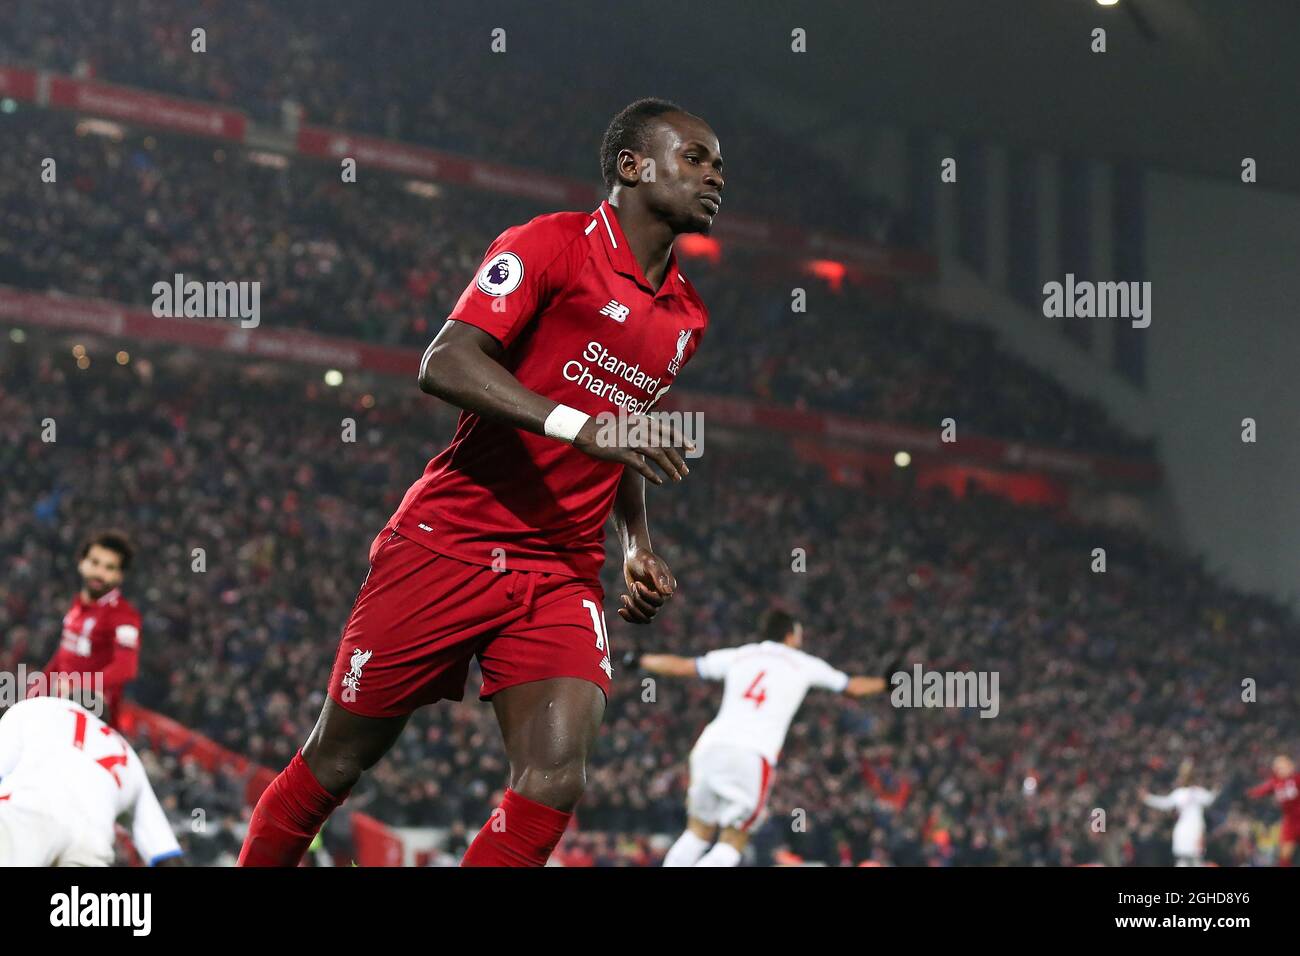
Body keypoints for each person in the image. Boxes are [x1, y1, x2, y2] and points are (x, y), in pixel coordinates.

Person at [239, 97, 725, 867]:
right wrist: (578, 424)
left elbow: (622, 433)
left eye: (718, 164)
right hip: (451, 540)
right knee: (335, 761)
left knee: (555, 777)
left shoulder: (687, 317)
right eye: (696, 157)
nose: (714, 176)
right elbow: (445, 362)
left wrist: (636, 543)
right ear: (633, 166)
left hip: (562, 566)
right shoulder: (549, 245)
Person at [636, 608, 886, 866]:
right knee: (733, 841)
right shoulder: (803, 663)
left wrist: (642, 659)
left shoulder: (740, 654)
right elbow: (853, 687)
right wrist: (887, 683)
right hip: (751, 754)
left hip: (710, 745)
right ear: (791, 636)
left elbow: (686, 666)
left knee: (697, 832)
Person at [0, 697, 183, 867]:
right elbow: (165, 853)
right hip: (92, 843)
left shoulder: (37, 707)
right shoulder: (127, 754)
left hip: (30, 814)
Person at [30, 530, 141, 726]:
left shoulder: (124, 616)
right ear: (82, 563)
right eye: (95, 562)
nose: (99, 572)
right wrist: (33, 695)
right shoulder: (78, 605)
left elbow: (126, 668)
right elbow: (63, 657)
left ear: (119, 575)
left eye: (109, 567)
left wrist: (78, 687)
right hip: (61, 708)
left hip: (92, 719)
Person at [1140, 760, 1217, 866]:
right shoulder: (1181, 793)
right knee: (1185, 861)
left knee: (1194, 860)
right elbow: (1165, 803)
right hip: (1185, 830)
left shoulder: (1197, 792)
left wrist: (1148, 798)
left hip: (1195, 831)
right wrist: (1148, 798)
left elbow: (1212, 799)